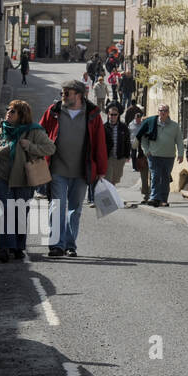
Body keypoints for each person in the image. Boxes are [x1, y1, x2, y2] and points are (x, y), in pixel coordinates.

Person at [39, 80, 108, 257]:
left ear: (79, 95)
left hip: (82, 171)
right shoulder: (53, 111)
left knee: (75, 209)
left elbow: (100, 143)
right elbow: (40, 132)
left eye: (67, 92)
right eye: (63, 92)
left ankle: (70, 245)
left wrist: (101, 170)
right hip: (57, 168)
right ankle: (56, 245)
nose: (63, 95)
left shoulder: (92, 115)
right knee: (57, 206)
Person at [0, 100, 55, 262]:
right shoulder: (3, 131)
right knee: (5, 212)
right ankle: (4, 248)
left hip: (24, 180)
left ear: (21, 115)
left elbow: (50, 148)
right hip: (3, 178)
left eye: (12, 111)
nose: (8, 113)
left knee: (19, 213)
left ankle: (18, 247)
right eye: (8, 110)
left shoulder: (33, 131)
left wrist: (31, 146)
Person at [135, 103, 184, 206]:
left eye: (165, 110)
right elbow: (143, 138)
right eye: (161, 110)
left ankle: (163, 199)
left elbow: (179, 141)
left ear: (168, 113)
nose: (163, 112)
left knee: (165, 178)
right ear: (158, 112)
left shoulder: (174, 126)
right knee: (155, 176)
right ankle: (154, 197)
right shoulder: (151, 123)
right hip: (154, 155)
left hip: (169, 156)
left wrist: (180, 154)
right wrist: (146, 150)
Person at [101, 101, 130, 190]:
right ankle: (108, 200)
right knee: (108, 179)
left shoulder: (123, 127)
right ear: (108, 115)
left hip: (119, 157)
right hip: (108, 157)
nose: (113, 116)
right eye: (111, 114)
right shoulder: (103, 127)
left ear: (118, 115)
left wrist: (127, 155)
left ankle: (112, 198)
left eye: (115, 114)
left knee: (115, 179)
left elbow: (127, 141)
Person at [124, 101, 149, 199]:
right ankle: (147, 193)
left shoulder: (146, 130)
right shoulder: (132, 124)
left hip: (146, 155)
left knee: (147, 176)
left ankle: (147, 193)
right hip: (144, 154)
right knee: (146, 175)